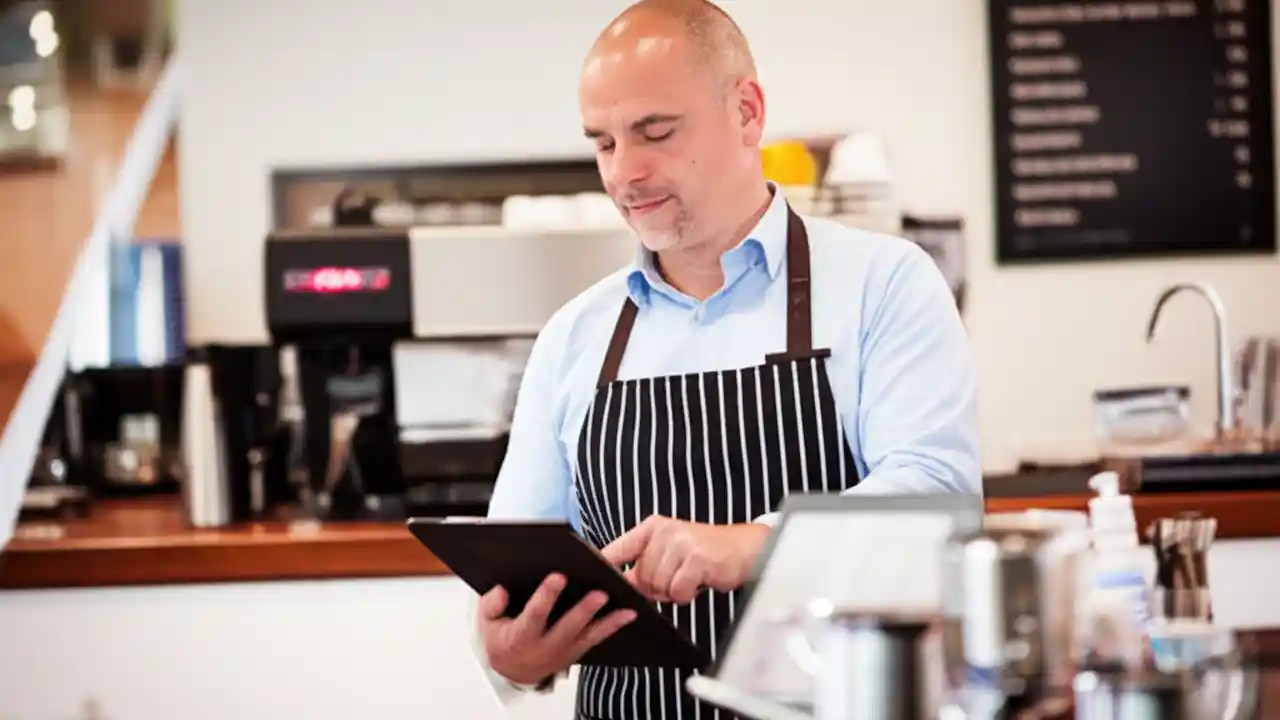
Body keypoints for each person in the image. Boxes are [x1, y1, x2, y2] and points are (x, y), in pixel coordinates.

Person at [473, 0, 981, 717]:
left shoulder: (884, 284)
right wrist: (509, 657)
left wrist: (753, 544)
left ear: (747, 112)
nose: (626, 174)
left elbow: (938, 504)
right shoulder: (572, 338)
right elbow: (515, 570)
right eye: (605, 143)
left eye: (654, 132)